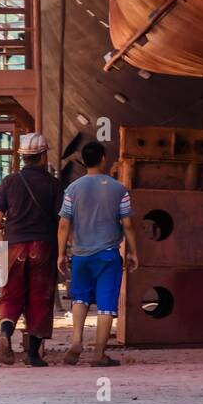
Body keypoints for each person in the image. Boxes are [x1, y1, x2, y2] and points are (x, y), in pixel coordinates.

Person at [57, 141, 139, 366]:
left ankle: (76, 341)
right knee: (105, 305)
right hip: (108, 255)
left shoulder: (72, 189)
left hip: (81, 255)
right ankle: (99, 354)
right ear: (103, 158)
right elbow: (128, 224)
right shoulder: (118, 188)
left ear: (84, 161)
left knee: (80, 298)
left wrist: (61, 253)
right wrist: (133, 251)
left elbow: (64, 224)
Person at [0, 133, 63, 367]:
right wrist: (63, 250)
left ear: (22, 158)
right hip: (43, 246)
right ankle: (32, 355)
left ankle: (5, 333)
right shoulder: (54, 184)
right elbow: (62, 221)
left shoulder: (10, 181)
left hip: (14, 246)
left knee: (11, 294)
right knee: (40, 297)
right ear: (42, 156)